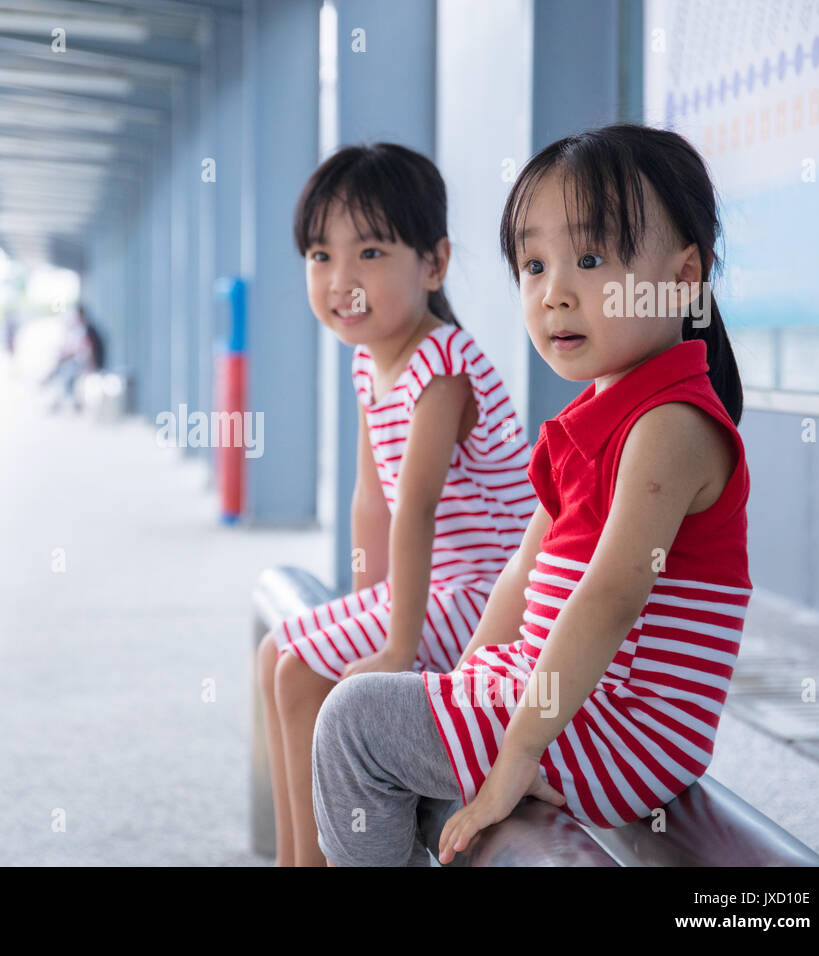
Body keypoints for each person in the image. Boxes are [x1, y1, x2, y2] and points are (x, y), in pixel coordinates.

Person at [311, 123, 753, 867]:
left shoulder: (672, 424)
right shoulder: (589, 420)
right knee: (411, 716)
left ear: (681, 279)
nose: (554, 294)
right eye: (534, 265)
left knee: (354, 722)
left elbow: (609, 598)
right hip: (568, 701)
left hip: (624, 727)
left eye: (588, 258)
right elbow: (521, 576)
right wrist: (465, 683)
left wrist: (516, 753)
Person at [258, 143, 537, 866]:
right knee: (275, 653)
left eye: (371, 252)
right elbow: (371, 504)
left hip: (484, 601)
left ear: (434, 264)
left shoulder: (441, 364)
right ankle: (295, 858)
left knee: (299, 671)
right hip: (431, 591)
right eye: (321, 256)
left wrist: (393, 648)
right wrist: (364, 610)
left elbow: (415, 509)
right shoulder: (367, 358)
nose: (341, 280)